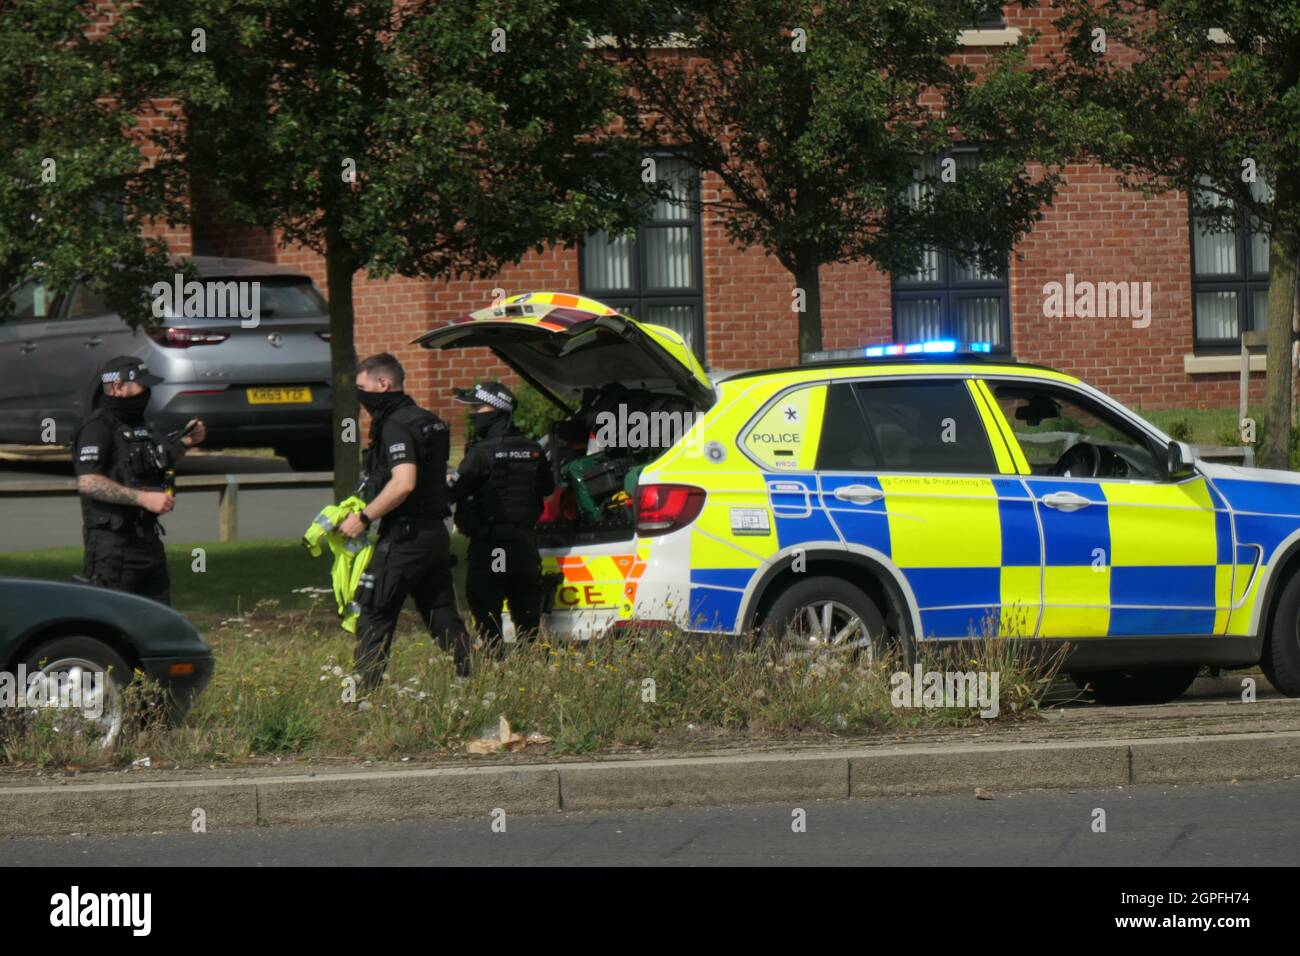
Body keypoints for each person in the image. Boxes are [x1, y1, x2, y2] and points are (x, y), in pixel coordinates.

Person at [341, 352, 470, 688]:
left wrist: (364, 517)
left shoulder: (396, 424)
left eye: (362, 387)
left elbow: (404, 482)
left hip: (405, 536)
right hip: (434, 535)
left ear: (383, 384)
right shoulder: (427, 420)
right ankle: (471, 678)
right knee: (440, 612)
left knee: (375, 610)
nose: (360, 395)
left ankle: (364, 694)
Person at [72, 356, 206, 605]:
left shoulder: (139, 425)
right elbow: (88, 481)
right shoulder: (97, 427)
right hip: (112, 549)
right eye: (141, 386)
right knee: (113, 620)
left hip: (148, 540)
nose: (146, 393)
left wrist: (186, 441)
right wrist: (143, 498)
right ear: (117, 387)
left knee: (158, 620)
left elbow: (155, 460)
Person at [448, 381, 555, 649]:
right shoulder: (533, 449)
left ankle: (496, 664)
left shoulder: (481, 453)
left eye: (478, 407)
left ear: (496, 411)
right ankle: (529, 666)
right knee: (527, 613)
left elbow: (456, 491)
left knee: (487, 608)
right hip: (525, 546)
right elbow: (547, 488)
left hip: (493, 549)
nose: (473, 413)